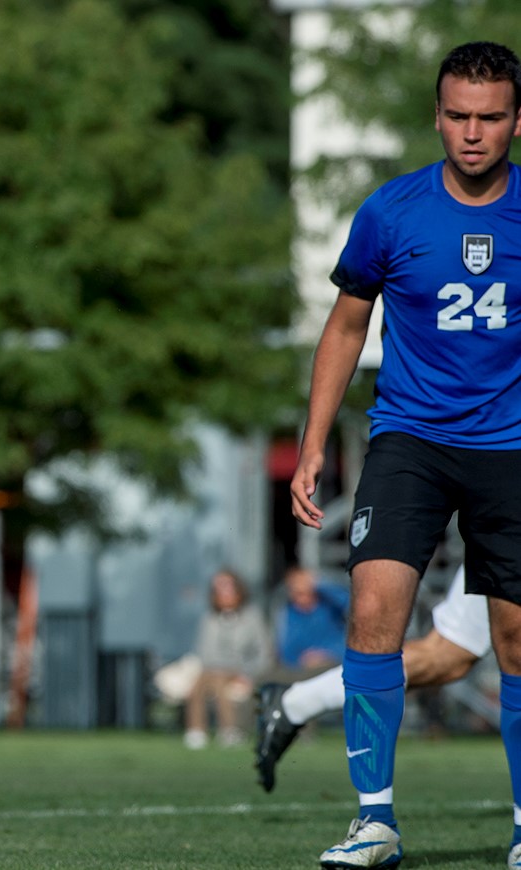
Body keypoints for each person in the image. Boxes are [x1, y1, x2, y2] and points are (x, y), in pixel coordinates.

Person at [291, 41, 521, 869]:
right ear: (437, 116)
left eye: (490, 117)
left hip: (512, 446)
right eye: (458, 115)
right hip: (410, 438)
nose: (472, 132)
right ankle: (375, 822)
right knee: (373, 613)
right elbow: (347, 327)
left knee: (516, 641)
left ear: (517, 121)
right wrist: (313, 444)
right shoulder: (390, 211)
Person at [254, 567, 489, 793]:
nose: (302, 597)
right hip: (505, 540)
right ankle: (296, 702)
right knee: (448, 655)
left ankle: (296, 702)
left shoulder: (325, 603)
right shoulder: (291, 613)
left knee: (449, 657)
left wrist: (320, 587)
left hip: (330, 660)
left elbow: (346, 603)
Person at [183, 569, 272, 749]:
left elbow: (264, 653)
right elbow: (204, 651)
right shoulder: (209, 618)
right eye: (219, 589)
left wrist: (248, 674)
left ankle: (230, 729)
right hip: (212, 669)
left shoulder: (253, 618)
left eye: (228, 588)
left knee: (220, 682)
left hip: (241, 670)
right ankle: (196, 730)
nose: (224, 594)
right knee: (198, 685)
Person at [275, 565, 349, 677]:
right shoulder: (288, 616)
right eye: (299, 593)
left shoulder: (328, 607)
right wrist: (305, 660)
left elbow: (349, 603)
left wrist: (320, 583)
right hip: (306, 674)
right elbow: (286, 654)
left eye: (308, 591)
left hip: (336, 667)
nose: (304, 598)